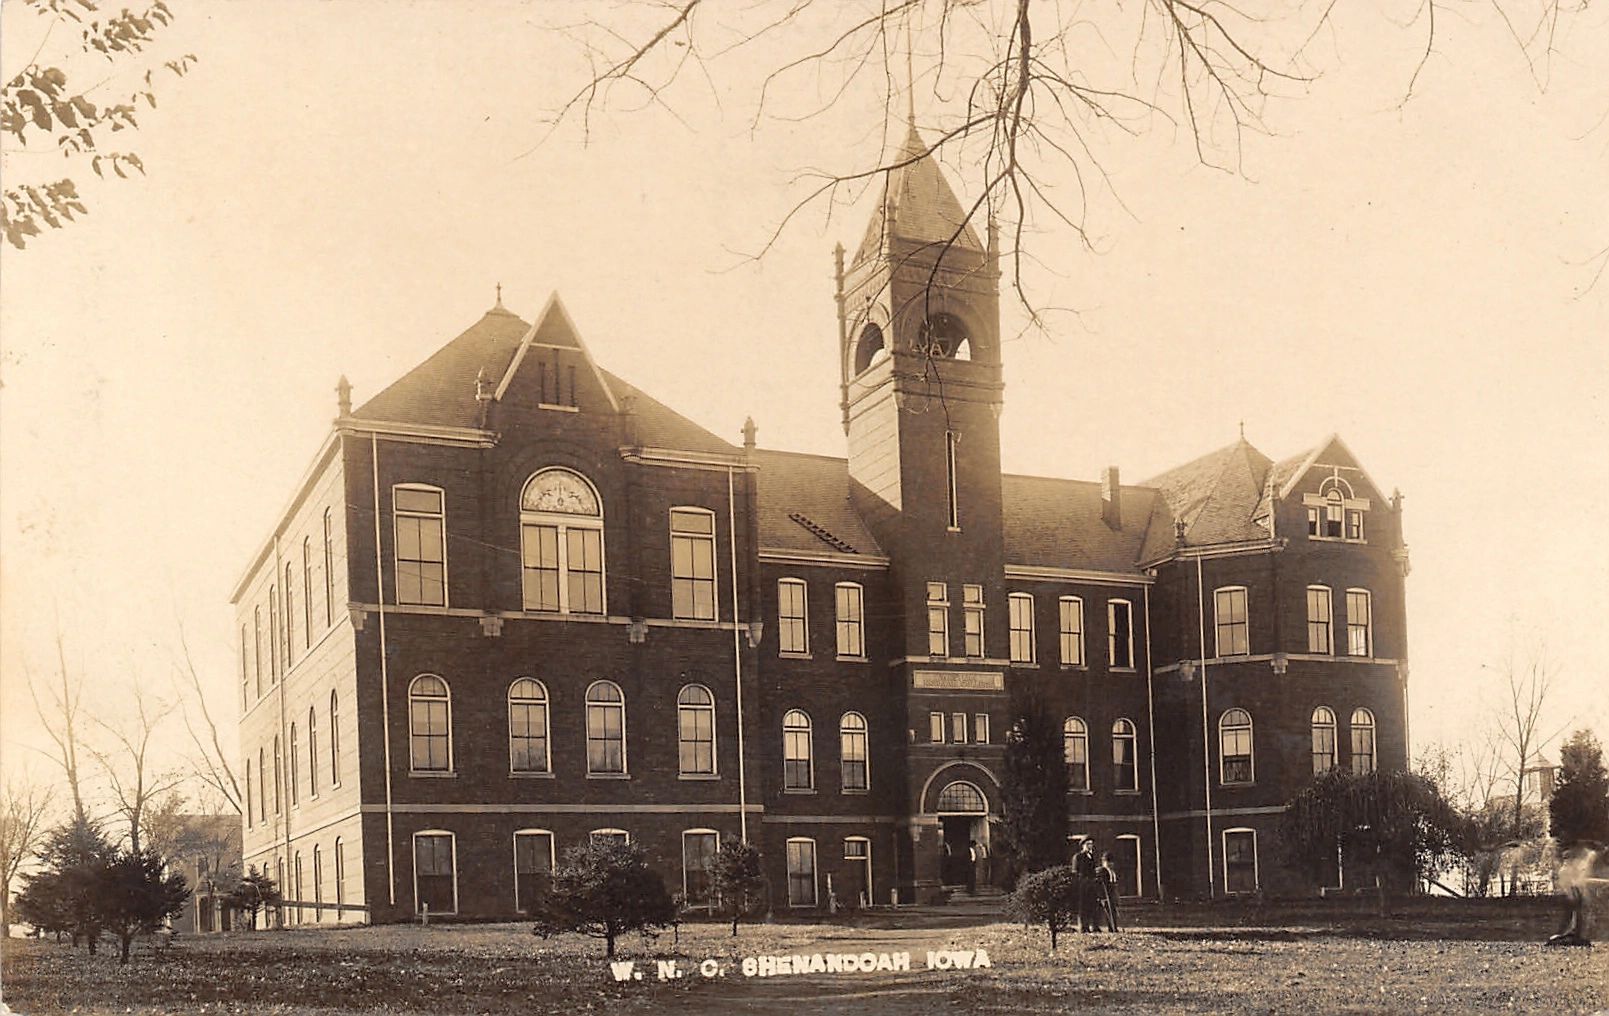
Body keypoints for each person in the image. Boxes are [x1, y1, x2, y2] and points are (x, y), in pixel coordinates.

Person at [1072, 838, 1099, 932]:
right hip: (1082, 885)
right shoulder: (1078, 857)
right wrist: (1083, 881)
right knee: (1083, 906)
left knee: (1092, 905)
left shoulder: (1091, 856)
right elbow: (1075, 872)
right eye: (1088, 844)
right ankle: (1083, 927)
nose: (1090, 846)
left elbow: (1093, 870)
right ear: (1083, 845)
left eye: (1091, 844)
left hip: (1092, 885)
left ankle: (1094, 927)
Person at [1096, 852, 1121, 932]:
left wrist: (1116, 895)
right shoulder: (1101, 871)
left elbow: (1114, 884)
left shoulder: (1112, 872)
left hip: (1111, 894)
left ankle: (1113, 928)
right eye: (1107, 862)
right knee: (1101, 912)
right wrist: (1101, 896)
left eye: (1111, 862)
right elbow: (1099, 885)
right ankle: (1095, 927)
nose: (1110, 864)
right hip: (1104, 894)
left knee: (1112, 911)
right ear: (1103, 862)